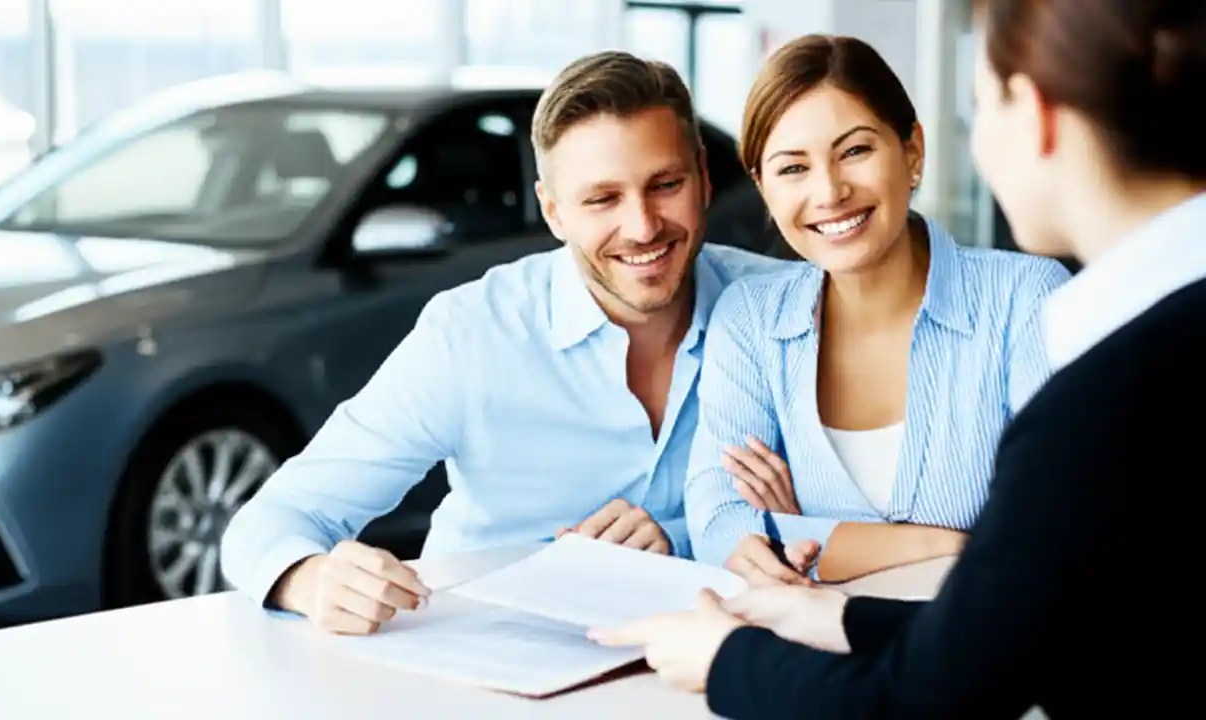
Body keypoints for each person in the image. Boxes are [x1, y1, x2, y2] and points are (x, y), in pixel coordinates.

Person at [592, 1, 1205, 716]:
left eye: (981, 105)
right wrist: (850, 608)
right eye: (792, 166)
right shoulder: (1138, 347)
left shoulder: (1096, 375)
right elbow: (1011, 616)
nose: (828, 190)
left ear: (1030, 115)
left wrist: (730, 657)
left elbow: (947, 680)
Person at [219, 51, 791, 635]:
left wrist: (681, 535)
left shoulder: (782, 309)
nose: (643, 226)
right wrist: (310, 579)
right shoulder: (473, 334)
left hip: (706, 666)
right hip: (488, 660)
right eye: (602, 200)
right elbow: (269, 521)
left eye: (665, 184)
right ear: (553, 211)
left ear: (702, 175)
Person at [683, 34, 1069, 585]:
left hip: (988, 656)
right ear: (762, 188)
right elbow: (721, 526)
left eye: (855, 151)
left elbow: (1053, 522)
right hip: (815, 656)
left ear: (912, 150)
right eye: (793, 168)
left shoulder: (1025, 299)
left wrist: (805, 530)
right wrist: (947, 544)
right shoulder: (751, 321)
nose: (830, 191)